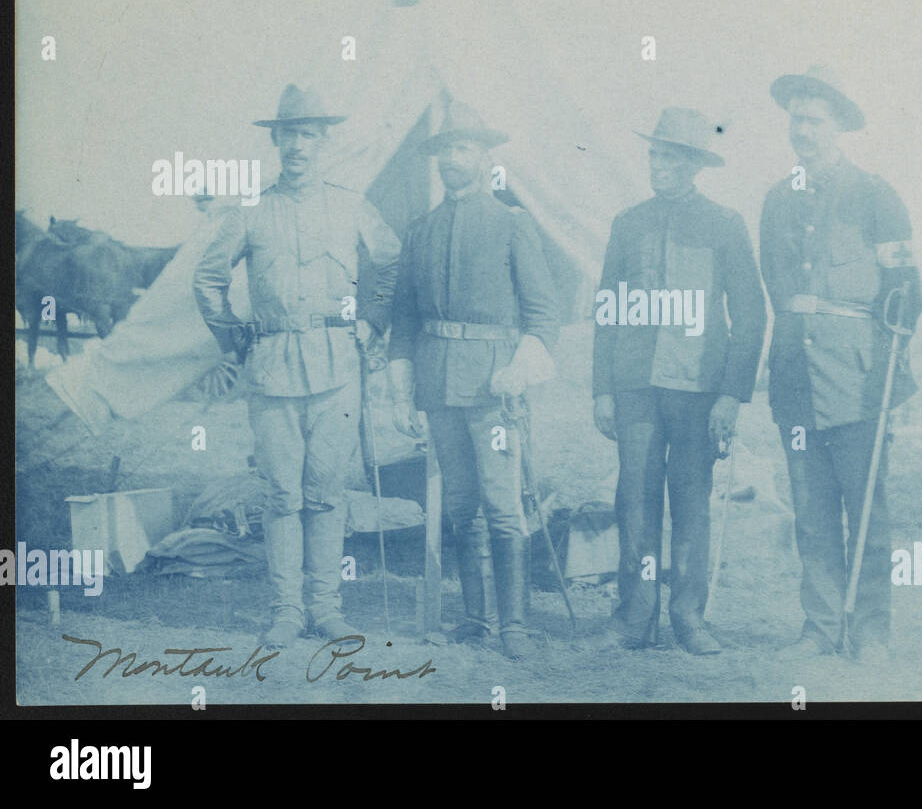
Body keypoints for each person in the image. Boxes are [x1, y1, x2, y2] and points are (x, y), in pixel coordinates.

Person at [193, 83, 401, 649]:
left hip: (338, 370)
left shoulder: (352, 204)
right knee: (282, 494)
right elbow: (208, 281)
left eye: (308, 135)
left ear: (323, 141)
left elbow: (388, 264)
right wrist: (236, 339)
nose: (298, 146)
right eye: (289, 135)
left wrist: (373, 322)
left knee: (327, 491)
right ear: (277, 141)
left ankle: (327, 609)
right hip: (272, 370)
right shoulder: (251, 211)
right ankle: (287, 610)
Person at [759, 65, 922, 664]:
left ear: (837, 127)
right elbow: (775, 289)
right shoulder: (776, 200)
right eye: (796, 119)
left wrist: (887, 374)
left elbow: (907, 293)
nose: (803, 130)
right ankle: (820, 627)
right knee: (811, 509)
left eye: (814, 120)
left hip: (858, 382)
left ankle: (872, 629)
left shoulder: (875, 195)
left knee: (866, 508)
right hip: (797, 381)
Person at [388, 101, 560, 661]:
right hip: (438, 387)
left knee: (503, 506)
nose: (452, 160)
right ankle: (476, 618)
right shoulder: (420, 231)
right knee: (461, 506)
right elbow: (405, 320)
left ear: (485, 157)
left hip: (495, 387)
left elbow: (543, 314)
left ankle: (513, 624)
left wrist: (520, 367)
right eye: (445, 151)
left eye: (463, 148)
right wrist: (403, 388)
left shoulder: (512, 223)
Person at [591, 107, 766, 655]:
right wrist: (601, 388)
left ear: (693, 164)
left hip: (697, 391)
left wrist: (731, 395)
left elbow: (751, 313)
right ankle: (634, 617)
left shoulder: (724, 224)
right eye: (653, 154)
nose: (657, 165)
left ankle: (688, 618)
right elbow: (608, 310)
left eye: (669, 156)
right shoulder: (628, 223)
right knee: (635, 500)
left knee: (690, 499)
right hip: (636, 387)